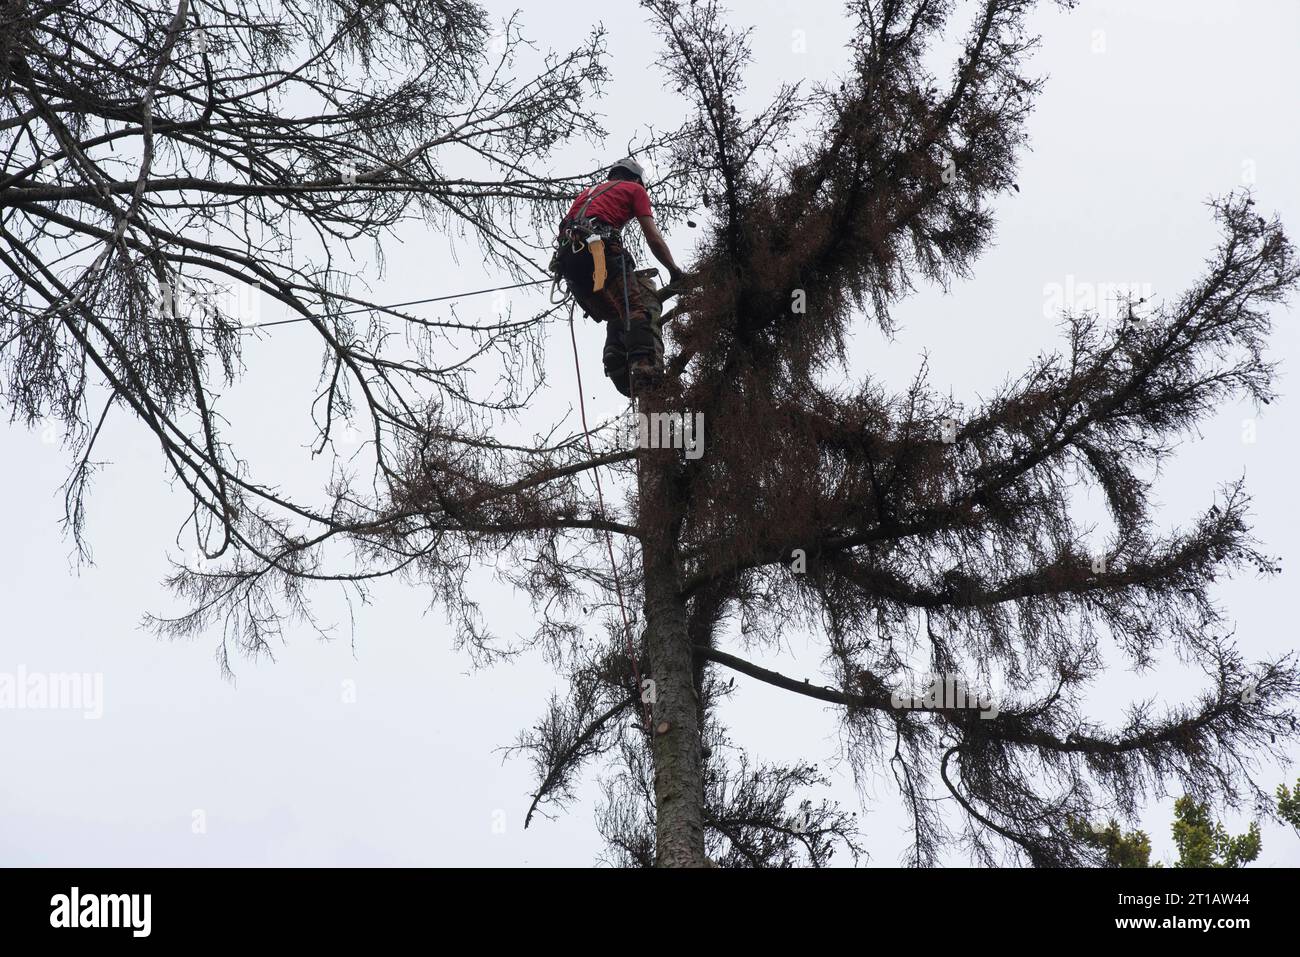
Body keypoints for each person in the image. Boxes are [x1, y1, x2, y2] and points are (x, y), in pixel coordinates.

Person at [553, 157, 687, 396]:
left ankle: (615, 356)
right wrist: (674, 270)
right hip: (600, 252)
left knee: (616, 310)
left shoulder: (585, 194)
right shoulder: (635, 189)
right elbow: (653, 238)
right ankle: (645, 370)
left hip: (569, 261)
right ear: (636, 179)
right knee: (635, 308)